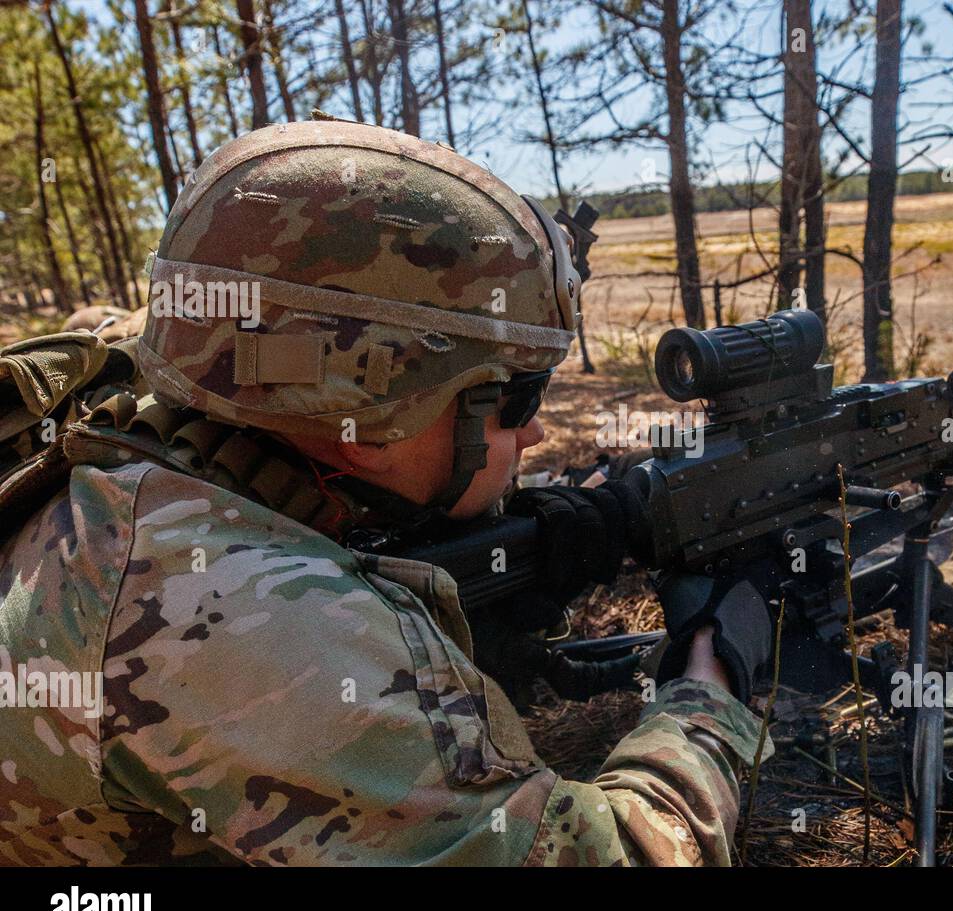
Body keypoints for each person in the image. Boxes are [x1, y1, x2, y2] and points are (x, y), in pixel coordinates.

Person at [0, 120, 774, 866]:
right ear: (370, 418)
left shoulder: (191, 377)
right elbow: (617, 858)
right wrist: (709, 683)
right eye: (519, 399)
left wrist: (551, 545)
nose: (534, 437)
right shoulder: (238, 615)